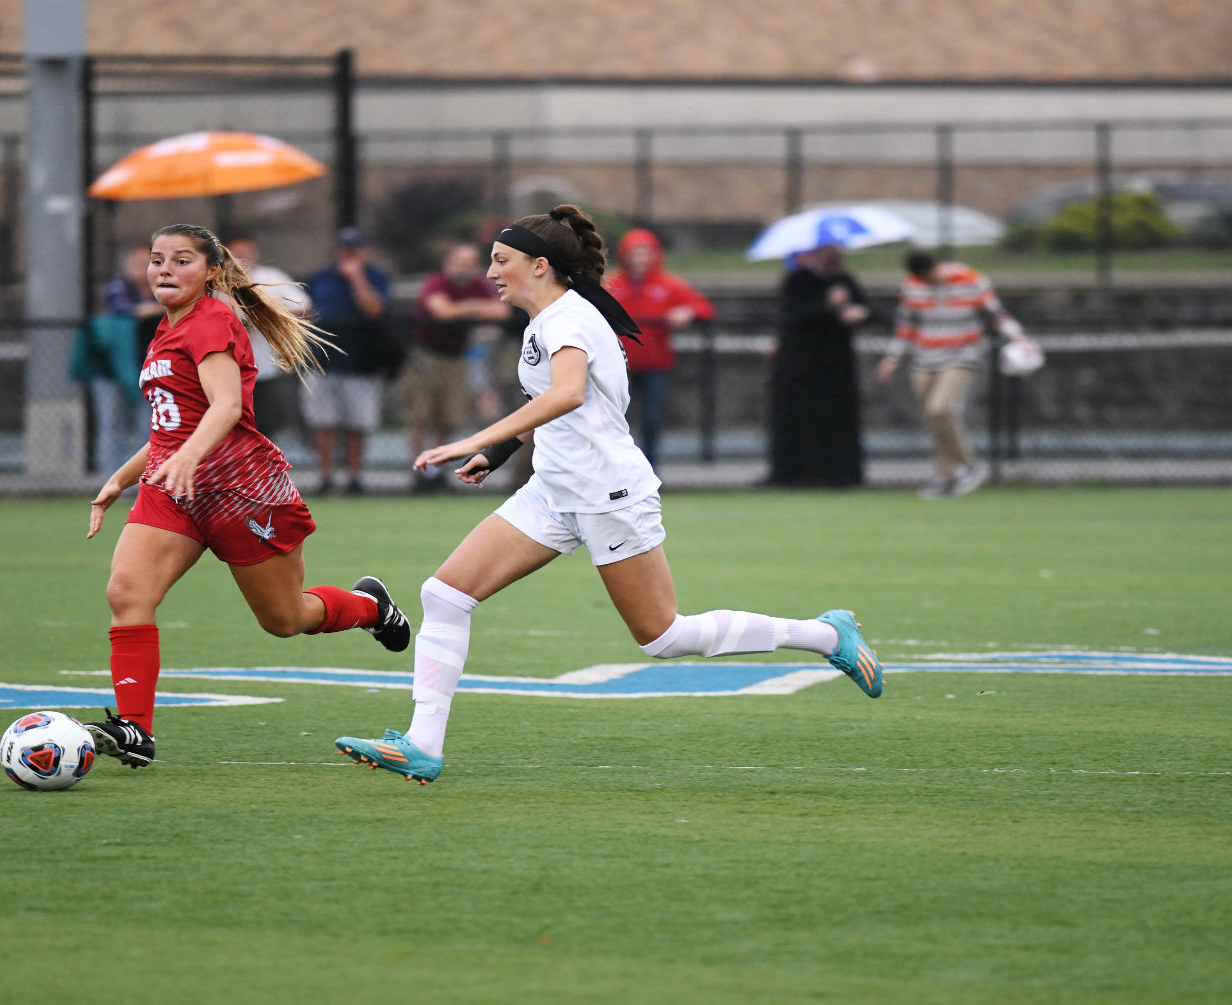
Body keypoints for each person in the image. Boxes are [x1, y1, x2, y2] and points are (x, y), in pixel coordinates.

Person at [333, 206, 884, 785]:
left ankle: (826, 634)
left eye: (501, 260)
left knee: (663, 637)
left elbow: (568, 393)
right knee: (445, 595)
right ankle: (422, 745)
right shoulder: (549, 318)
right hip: (553, 490)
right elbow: (553, 402)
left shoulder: (567, 319)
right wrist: (497, 453)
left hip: (608, 493)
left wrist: (475, 437)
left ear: (539, 266)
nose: (491, 273)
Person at [83, 224, 410, 769]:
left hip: (243, 491)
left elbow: (227, 406)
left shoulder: (212, 319)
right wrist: (120, 479)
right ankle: (135, 729)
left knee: (285, 619)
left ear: (212, 271)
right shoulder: (166, 327)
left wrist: (188, 456)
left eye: (181, 260)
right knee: (127, 592)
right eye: (158, 260)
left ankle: (369, 608)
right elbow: (172, 427)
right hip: (176, 490)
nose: (164, 269)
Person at [874, 249, 1031, 498]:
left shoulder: (971, 280)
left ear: (936, 266)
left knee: (939, 409)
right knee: (933, 419)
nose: (927, 282)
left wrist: (1018, 336)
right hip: (924, 358)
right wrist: (892, 357)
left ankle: (968, 466)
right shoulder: (913, 285)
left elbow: (996, 314)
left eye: (929, 276)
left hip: (960, 355)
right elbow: (905, 326)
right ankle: (945, 476)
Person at [604, 228, 714, 466]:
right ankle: (617, 469)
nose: (639, 260)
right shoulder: (612, 285)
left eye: (644, 253)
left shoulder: (669, 285)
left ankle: (650, 468)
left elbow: (704, 308)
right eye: (634, 253)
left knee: (651, 419)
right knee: (615, 420)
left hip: (655, 365)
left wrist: (688, 311)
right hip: (618, 366)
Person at [405, 242, 507, 491]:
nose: (464, 269)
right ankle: (419, 472)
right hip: (427, 357)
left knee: (448, 417)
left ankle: (437, 472)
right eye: (460, 264)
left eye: (470, 264)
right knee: (420, 416)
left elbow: (500, 311)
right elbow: (441, 311)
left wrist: (461, 309)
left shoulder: (478, 286)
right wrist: (474, 308)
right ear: (448, 264)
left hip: (457, 358)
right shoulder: (436, 283)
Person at [768, 244, 868, 487]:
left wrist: (860, 312)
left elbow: (869, 309)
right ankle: (795, 474)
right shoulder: (798, 281)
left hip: (837, 365)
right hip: (801, 365)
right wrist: (827, 305)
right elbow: (794, 316)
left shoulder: (845, 281)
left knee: (837, 420)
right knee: (799, 419)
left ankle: (840, 474)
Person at [303, 226, 393, 495]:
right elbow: (307, 310)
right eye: (345, 250)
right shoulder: (321, 277)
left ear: (364, 252)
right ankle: (326, 476)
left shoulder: (376, 277)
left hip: (360, 361)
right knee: (323, 422)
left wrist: (356, 278)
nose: (349, 256)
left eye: (355, 251)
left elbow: (374, 309)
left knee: (358, 424)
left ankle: (354, 477)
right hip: (322, 360)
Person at [74, 243, 158, 472]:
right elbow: (124, 310)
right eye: (139, 264)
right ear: (127, 266)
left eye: (149, 264)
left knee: (148, 426)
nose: (144, 269)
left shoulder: (161, 288)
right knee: (112, 424)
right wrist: (151, 310)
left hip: (147, 370)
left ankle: (145, 478)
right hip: (111, 371)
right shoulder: (118, 287)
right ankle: (112, 478)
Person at [227, 233, 312, 447]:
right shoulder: (216, 283)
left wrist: (265, 316)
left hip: (265, 368)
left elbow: (304, 308)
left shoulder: (271, 278)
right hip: (227, 370)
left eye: (246, 253)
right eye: (237, 254)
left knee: (265, 427)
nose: (242, 258)